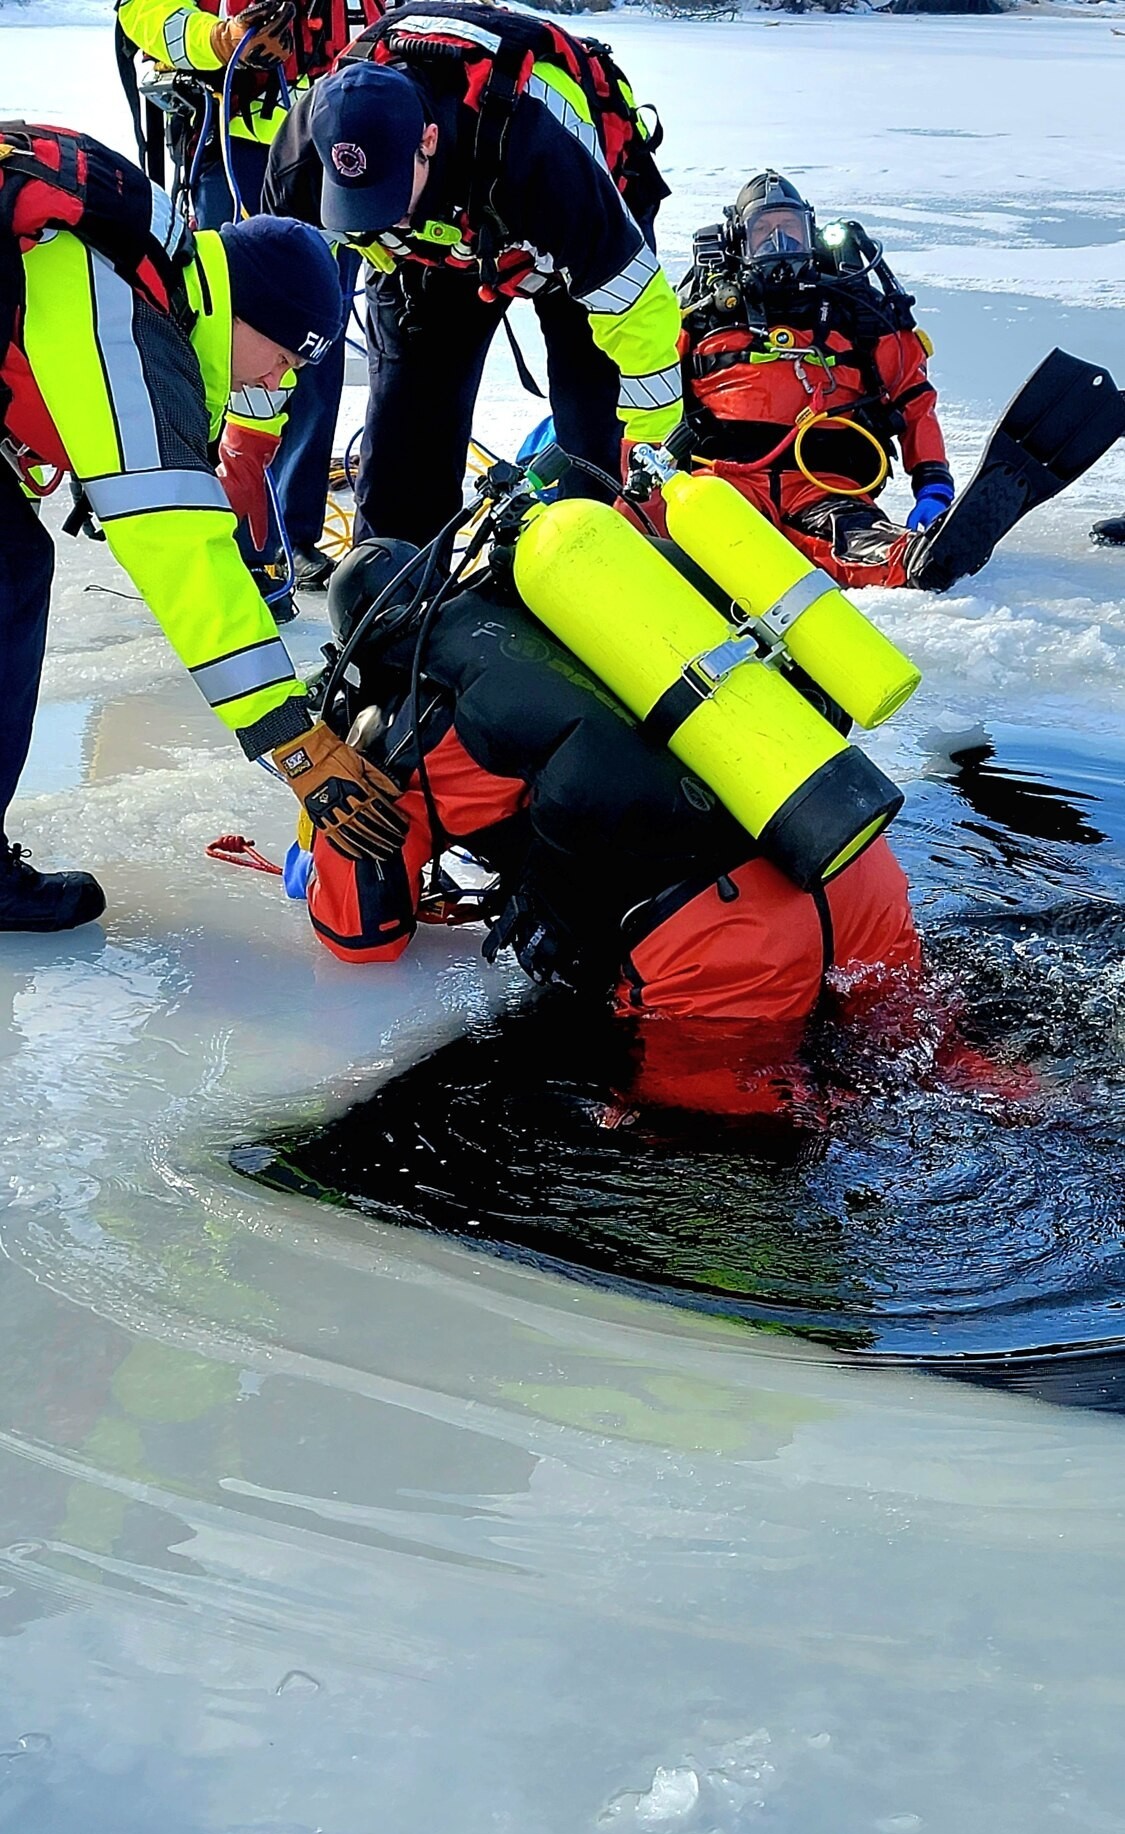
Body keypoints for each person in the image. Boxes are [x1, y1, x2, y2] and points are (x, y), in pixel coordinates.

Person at [287, 537, 921, 1118]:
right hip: (840, 854)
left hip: (719, 945)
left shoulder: (409, 739)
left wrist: (323, 831)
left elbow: (362, 938)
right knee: (924, 1043)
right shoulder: (583, 608)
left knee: (717, 1146)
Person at [0, 123, 405, 932]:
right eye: (285, 356)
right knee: (7, 575)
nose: (277, 378)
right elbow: (176, 545)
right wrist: (290, 740)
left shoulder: (153, 258)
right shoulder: (125, 311)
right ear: (250, 314)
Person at [261, 2, 683, 551]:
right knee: (404, 445)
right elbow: (269, 320)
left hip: (566, 235)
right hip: (431, 261)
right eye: (357, 206)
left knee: (594, 438)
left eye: (390, 198)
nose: (384, 221)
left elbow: (639, 315)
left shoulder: (538, 148)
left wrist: (648, 458)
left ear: (428, 142)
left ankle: (603, 563)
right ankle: (394, 587)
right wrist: (251, 434)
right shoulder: (303, 160)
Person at [115, 0, 380, 590]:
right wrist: (216, 38)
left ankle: (284, 533)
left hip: (341, 145)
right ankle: (213, 526)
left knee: (309, 350)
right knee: (221, 343)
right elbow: (140, 13)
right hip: (235, 143)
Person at [674, 170, 957, 591]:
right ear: (739, 239)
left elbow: (912, 396)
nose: (779, 242)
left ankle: (924, 557)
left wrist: (932, 483)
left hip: (823, 487)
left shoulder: (856, 313)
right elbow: (641, 392)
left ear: (811, 233)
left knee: (877, 550)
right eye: (763, 231)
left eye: (791, 228)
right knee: (664, 527)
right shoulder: (700, 315)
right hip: (722, 483)